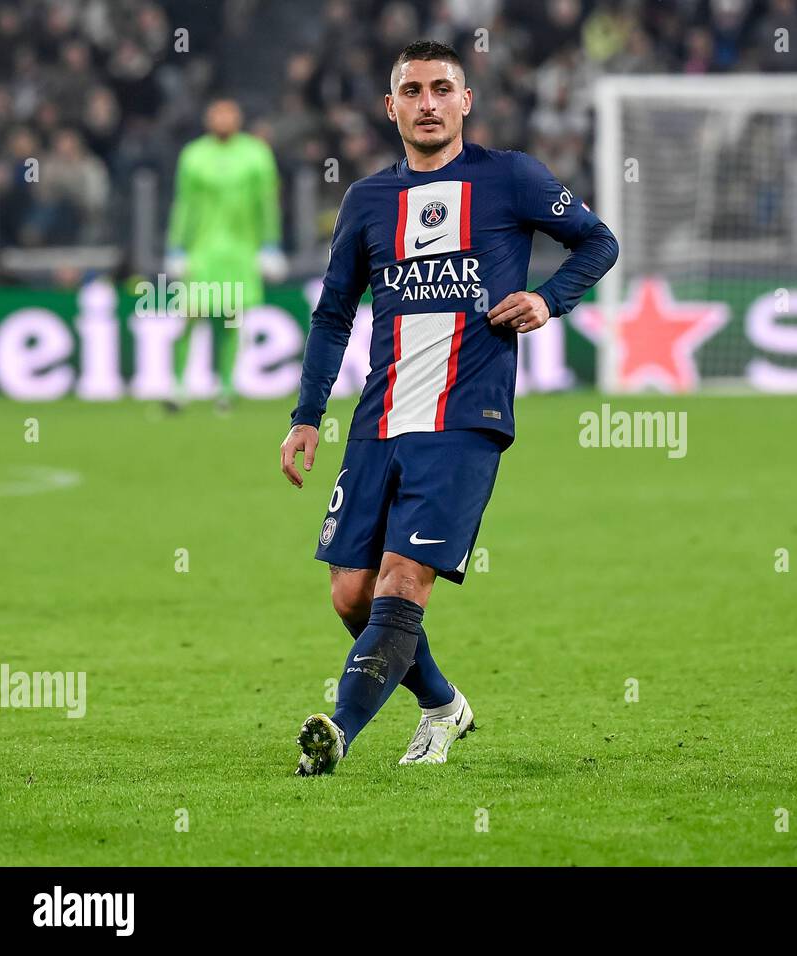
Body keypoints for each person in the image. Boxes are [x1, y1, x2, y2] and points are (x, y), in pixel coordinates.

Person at [280, 40, 618, 774]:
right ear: (391, 106)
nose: (428, 103)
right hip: (379, 417)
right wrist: (307, 415)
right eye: (413, 91)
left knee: (404, 581)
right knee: (350, 595)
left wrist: (547, 299)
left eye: (442, 89)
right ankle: (442, 706)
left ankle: (336, 732)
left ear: (466, 101)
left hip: (466, 419)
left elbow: (598, 242)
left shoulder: (510, 178)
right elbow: (333, 313)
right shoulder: (368, 199)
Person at [165, 98, 287, 413]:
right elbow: (185, 205)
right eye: (216, 113)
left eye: (227, 113)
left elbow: (267, 203)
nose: (222, 119)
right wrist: (177, 246)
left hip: (240, 252)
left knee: (230, 321)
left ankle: (226, 388)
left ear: (238, 117)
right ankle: (178, 386)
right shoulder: (193, 155)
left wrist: (270, 244)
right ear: (208, 118)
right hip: (202, 251)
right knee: (189, 316)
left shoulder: (256, 154)